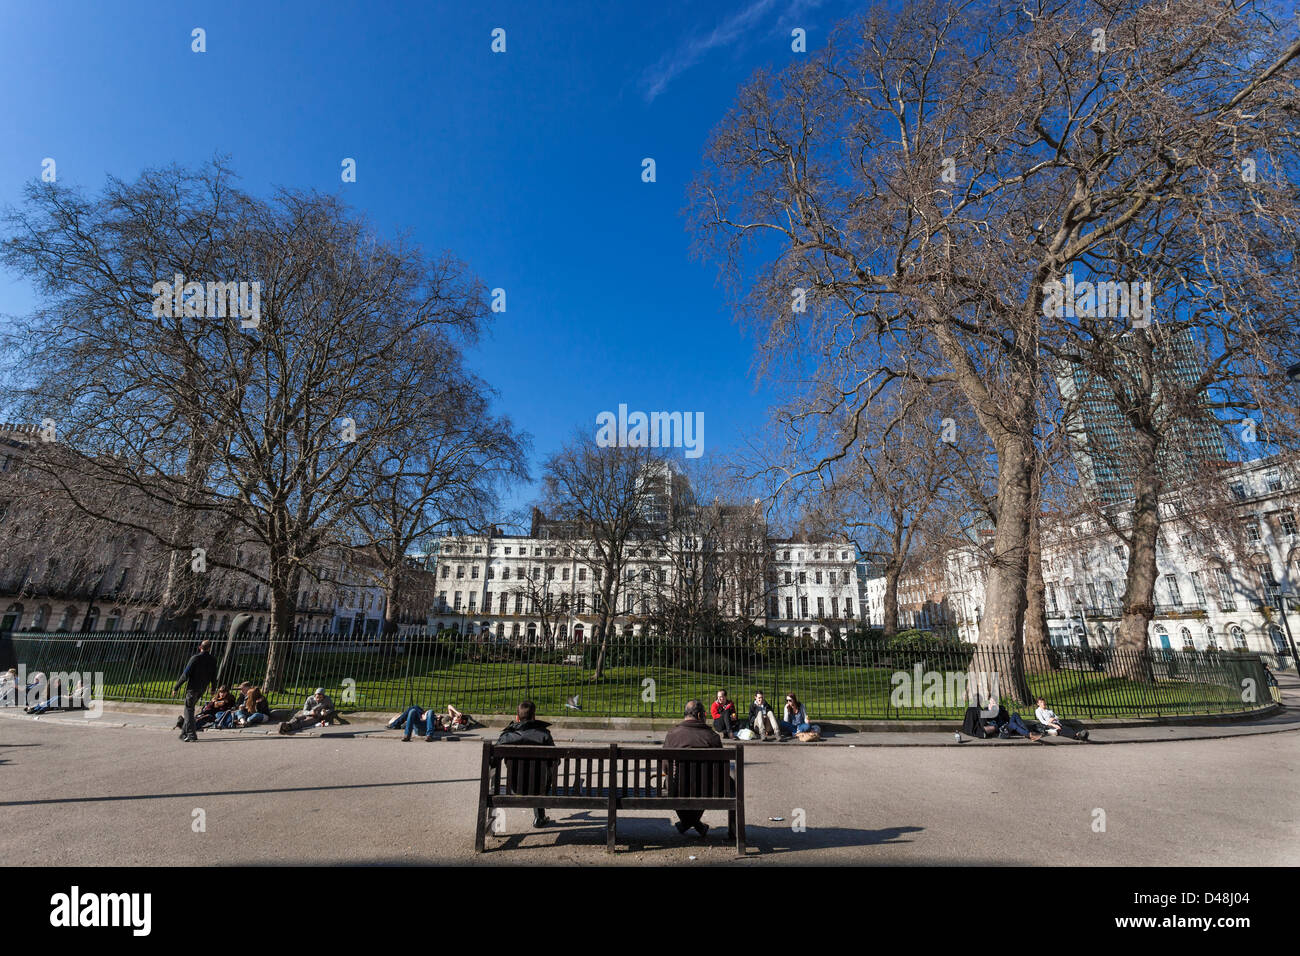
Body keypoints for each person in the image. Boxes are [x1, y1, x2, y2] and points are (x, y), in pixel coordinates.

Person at [662, 699, 723, 837]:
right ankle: (694, 823)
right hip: (707, 788)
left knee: (670, 783)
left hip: (677, 787)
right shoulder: (712, 737)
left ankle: (686, 823)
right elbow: (720, 769)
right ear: (701, 716)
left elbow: (665, 767)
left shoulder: (672, 735)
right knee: (707, 782)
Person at [496, 700, 555, 828]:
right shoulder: (544, 735)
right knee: (539, 776)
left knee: (530, 776)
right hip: (541, 788)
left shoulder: (506, 737)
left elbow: (492, 762)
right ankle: (539, 817)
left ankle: (540, 817)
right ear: (534, 717)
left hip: (514, 787)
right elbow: (555, 761)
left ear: (517, 717)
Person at [172, 639, 218, 742]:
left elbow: (185, 674)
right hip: (202, 688)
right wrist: (213, 688)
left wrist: (176, 687)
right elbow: (214, 676)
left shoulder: (195, 658)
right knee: (190, 710)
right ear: (209, 648)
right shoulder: (213, 660)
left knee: (189, 710)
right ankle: (184, 733)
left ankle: (191, 734)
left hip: (193, 688)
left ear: (200, 647)